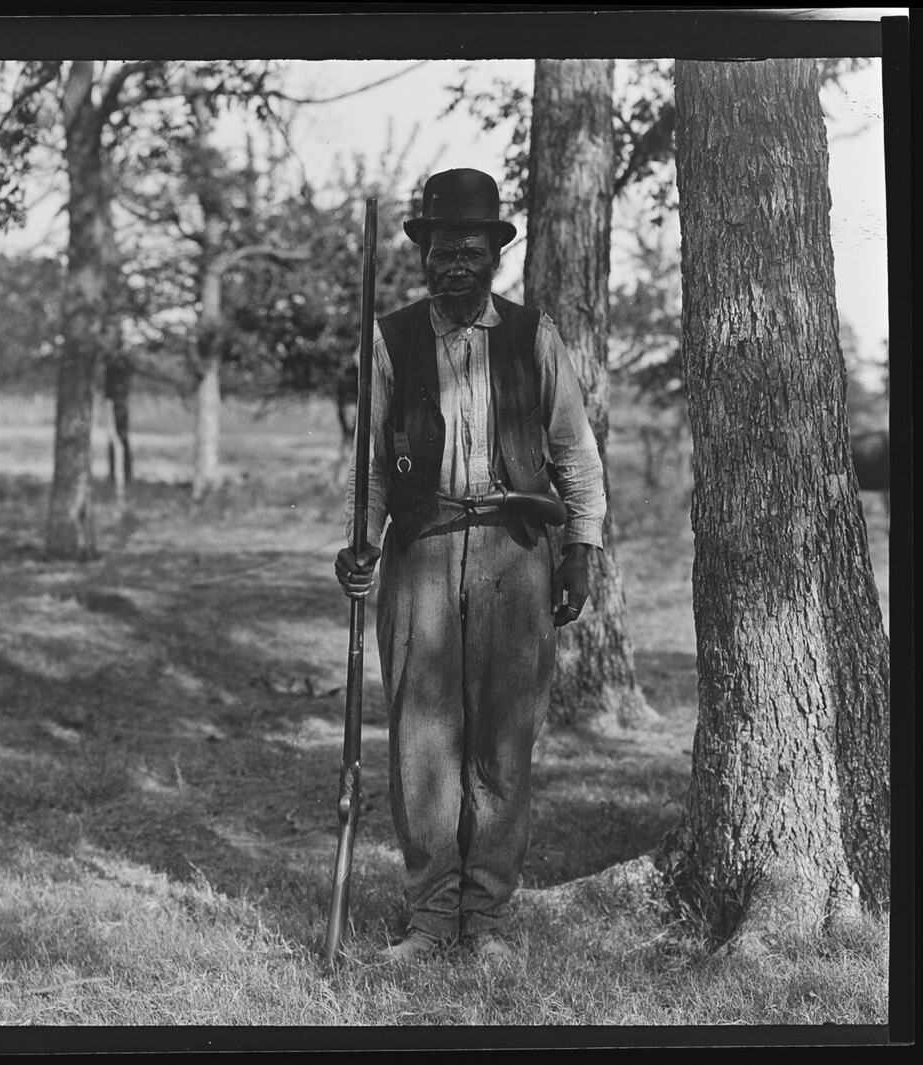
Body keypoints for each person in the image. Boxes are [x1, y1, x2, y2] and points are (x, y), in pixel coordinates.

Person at [334, 168, 607, 963]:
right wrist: (362, 541)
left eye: (471, 250)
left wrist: (582, 549)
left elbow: (574, 455)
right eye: (442, 250)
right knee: (423, 738)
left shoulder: (532, 336)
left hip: (515, 552)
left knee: (502, 738)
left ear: (494, 254)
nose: (456, 263)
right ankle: (429, 917)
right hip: (419, 550)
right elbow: (372, 467)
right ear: (423, 256)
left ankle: (484, 919)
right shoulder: (389, 339)